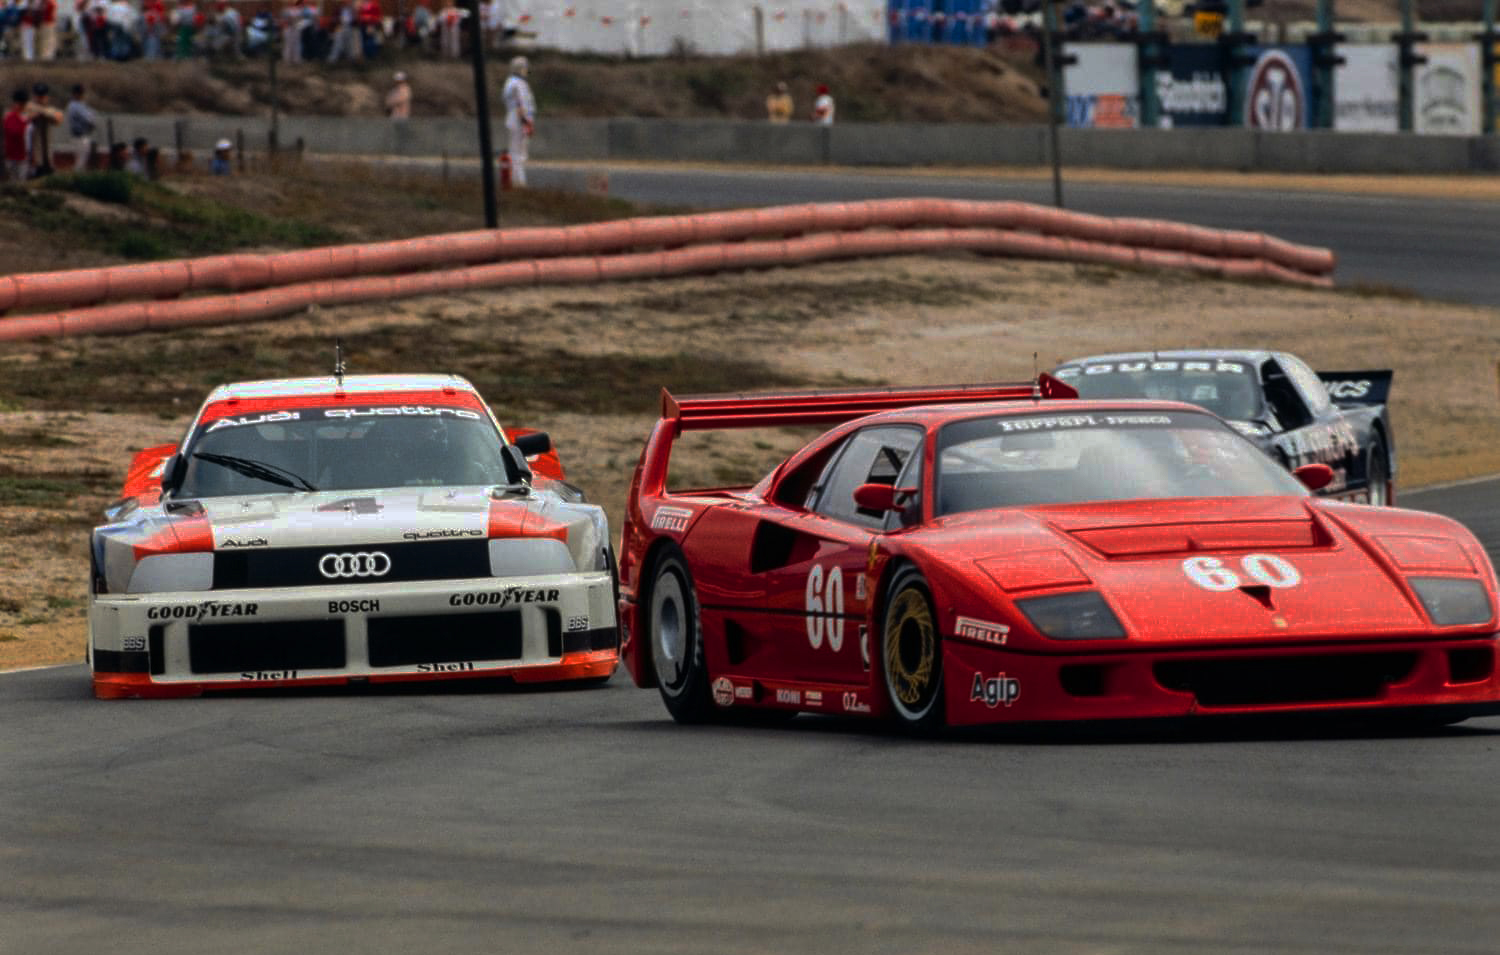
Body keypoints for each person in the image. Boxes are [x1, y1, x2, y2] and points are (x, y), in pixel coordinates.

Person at [501, 54, 534, 188]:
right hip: (519, 120)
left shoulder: (514, 82)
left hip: (517, 119)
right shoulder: (516, 83)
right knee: (517, 153)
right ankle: (518, 181)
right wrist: (526, 122)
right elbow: (520, 104)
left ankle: (517, 180)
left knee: (518, 152)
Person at [23, 81, 63, 176]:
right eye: (38, 96)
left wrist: (45, 113)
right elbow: (25, 118)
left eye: (43, 96)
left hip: (47, 151)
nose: (40, 98)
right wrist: (39, 113)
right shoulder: (29, 106)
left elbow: (58, 119)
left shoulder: (50, 109)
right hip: (34, 151)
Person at [64, 83, 96, 169]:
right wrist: (91, 121)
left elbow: (91, 119)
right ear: (75, 94)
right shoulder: (74, 105)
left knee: (82, 161)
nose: (82, 95)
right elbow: (89, 120)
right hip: (78, 136)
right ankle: (76, 179)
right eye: (80, 93)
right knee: (80, 162)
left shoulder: (81, 105)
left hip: (83, 136)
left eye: (82, 93)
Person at [3, 90, 30, 182]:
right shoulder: (10, 117)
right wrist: (25, 122)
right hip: (12, 155)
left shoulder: (25, 116)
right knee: (13, 181)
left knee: (22, 181)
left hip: (23, 155)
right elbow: (15, 132)